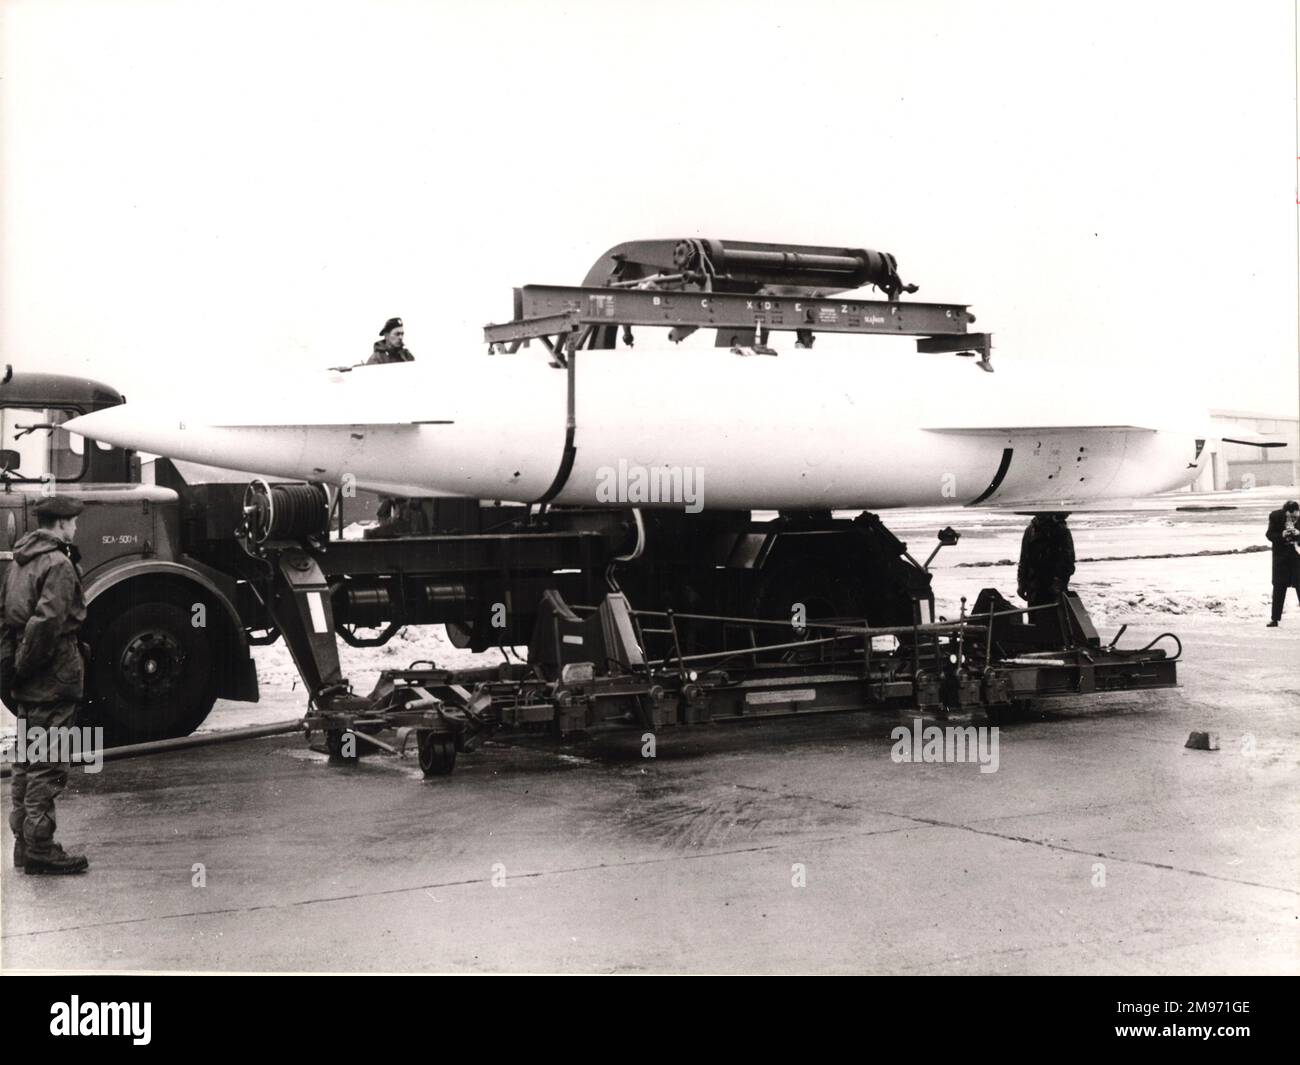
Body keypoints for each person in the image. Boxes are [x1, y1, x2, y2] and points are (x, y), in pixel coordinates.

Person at [0, 496, 90, 874]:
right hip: (51, 673)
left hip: (27, 673)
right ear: (62, 523)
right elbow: (49, 621)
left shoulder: (21, 560)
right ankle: (41, 847)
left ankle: (24, 843)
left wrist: (14, 668)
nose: (75, 528)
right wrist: (28, 664)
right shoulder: (58, 563)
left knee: (26, 759)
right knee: (48, 762)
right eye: (73, 522)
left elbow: (9, 617)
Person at [1017, 512, 1076, 609]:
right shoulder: (1030, 530)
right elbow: (1024, 559)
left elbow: (1068, 562)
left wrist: (1059, 583)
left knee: (1052, 620)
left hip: (1052, 588)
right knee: (1034, 620)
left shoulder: (1061, 531)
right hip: (1034, 587)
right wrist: (1021, 583)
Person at [1265, 499, 1300, 627]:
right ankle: (1275, 619)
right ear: (1285, 512)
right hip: (1281, 559)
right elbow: (1269, 534)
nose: (1293, 518)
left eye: (1295, 516)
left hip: (1297, 557)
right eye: (1291, 516)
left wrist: (1298, 534)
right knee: (1279, 588)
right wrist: (1282, 534)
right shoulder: (1275, 516)